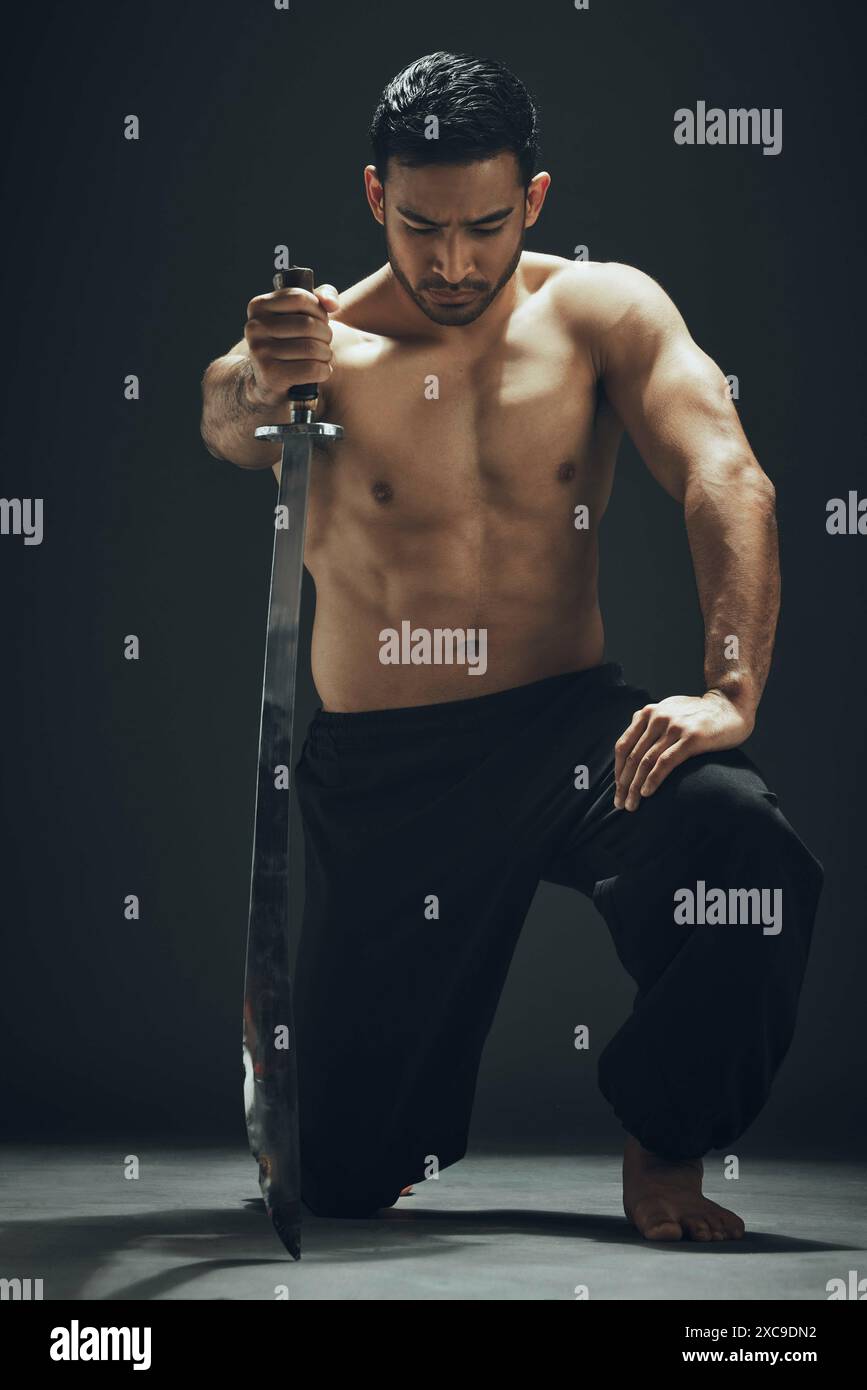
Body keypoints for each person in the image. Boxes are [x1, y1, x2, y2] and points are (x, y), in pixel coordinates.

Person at [200, 52, 823, 1242]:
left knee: (749, 853)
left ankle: (665, 1148)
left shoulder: (604, 311)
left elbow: (723, 472)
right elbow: (227, 420)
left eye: (484, 227)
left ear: (532, 202)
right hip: (385, 772)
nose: (451, 263)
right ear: (375, 195)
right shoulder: (326, 349)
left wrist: (730, 688)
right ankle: (291, 1047)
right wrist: (253, 376)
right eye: (422, 226)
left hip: (567, 733)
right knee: (339, 1181)